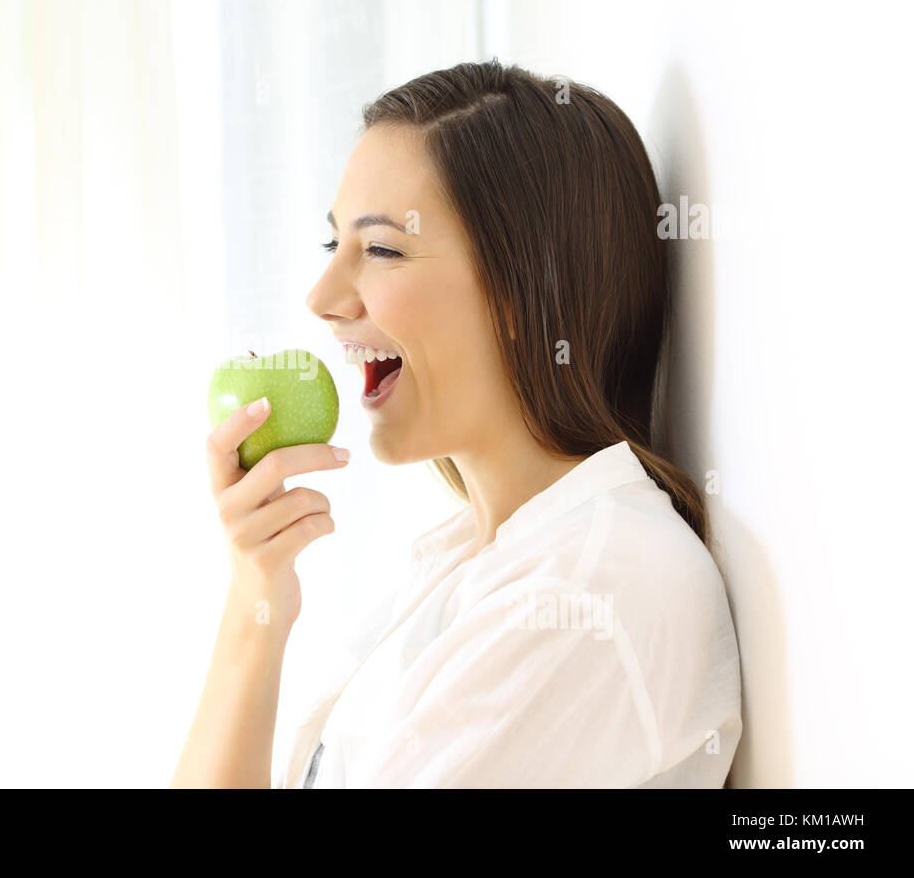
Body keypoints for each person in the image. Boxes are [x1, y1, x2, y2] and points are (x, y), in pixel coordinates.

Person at [171, 59, 742, 788]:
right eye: (333, 246)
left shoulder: (583, 593)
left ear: (527, 289)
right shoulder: (470, 562)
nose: (321, 296)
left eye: (381, 249)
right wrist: (257, 593)